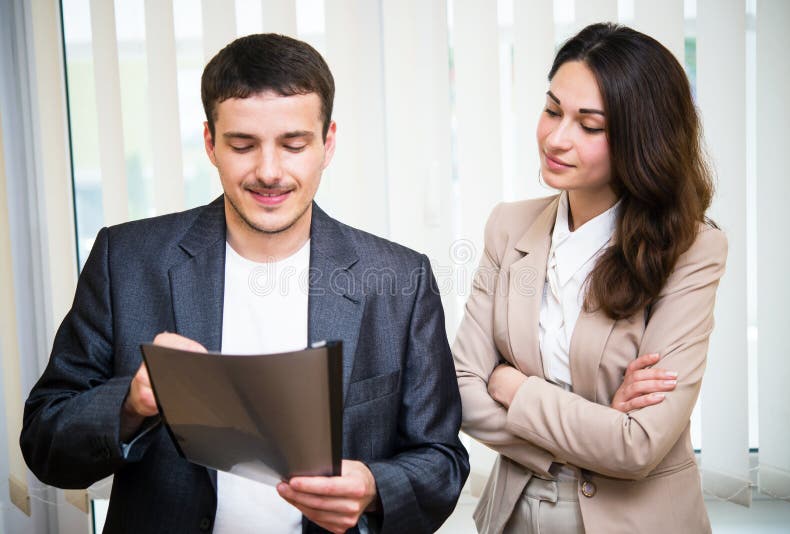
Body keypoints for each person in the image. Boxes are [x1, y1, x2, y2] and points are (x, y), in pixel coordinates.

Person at [21, 33, 468, 534]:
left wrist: (372, 487)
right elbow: (44, 443)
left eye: (294, 144)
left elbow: (442, 462)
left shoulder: (400, 282)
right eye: (242, 145)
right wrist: (132, 403)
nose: (269, 172)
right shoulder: (125, 261)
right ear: (210, 143)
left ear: (329, 142)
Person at [453, 23, 727, 534]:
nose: (557, 138)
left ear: (640, 136)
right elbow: (463, 390)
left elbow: (637, 444)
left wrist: (514, 387)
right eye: (553, 110)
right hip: (514, 514)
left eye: (590, 125)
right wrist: (597, 420)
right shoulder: (508, 225)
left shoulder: (692, 249)